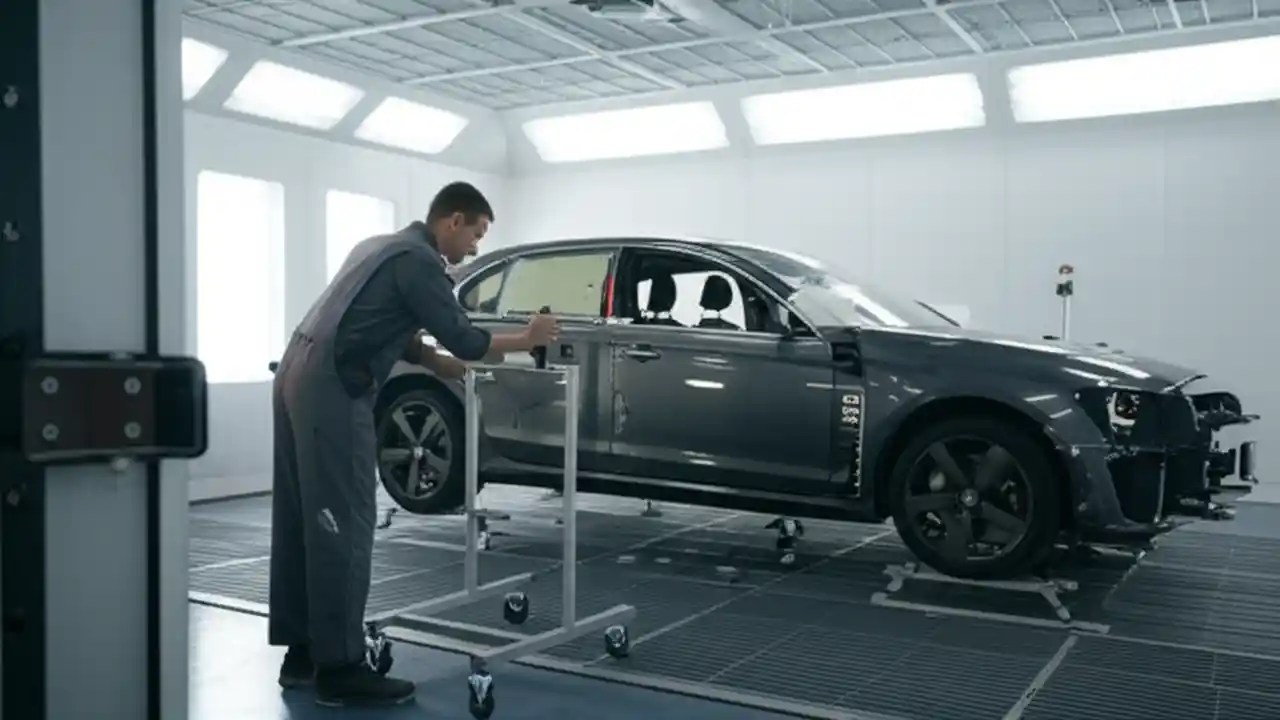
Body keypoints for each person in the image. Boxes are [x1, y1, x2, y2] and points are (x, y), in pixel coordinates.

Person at [266, 181, 559, 707]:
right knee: (346, 524)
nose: (475, 247)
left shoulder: (377, 246)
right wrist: (529, 337)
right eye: (476, 233)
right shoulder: (422, 262)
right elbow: (466, 337)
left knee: (303, 519)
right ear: (452, 220)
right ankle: (342, 669)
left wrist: (430, 361)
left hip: (294, 371)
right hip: (333, 386)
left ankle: (304, 654)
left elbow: (381, 320)